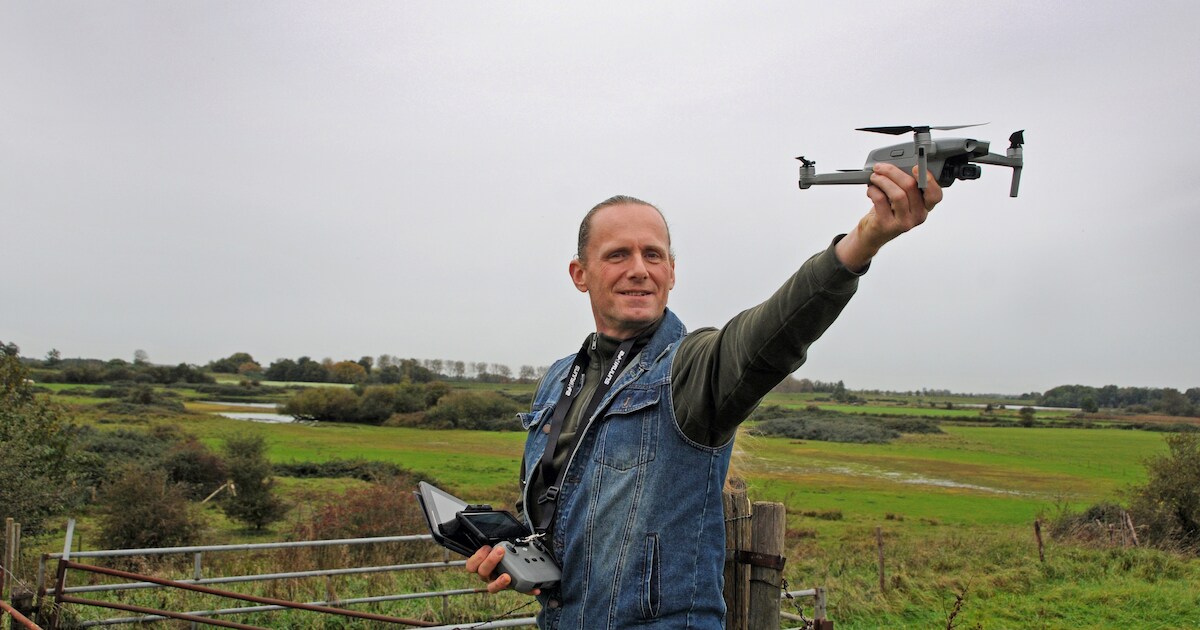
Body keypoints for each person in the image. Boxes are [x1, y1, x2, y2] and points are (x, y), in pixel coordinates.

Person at [467, 163, 943, 628]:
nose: (639, 270)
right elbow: (565, 512)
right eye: (617, 255)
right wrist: (521, 558)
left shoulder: (690, 370)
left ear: (672, 272)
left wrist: (863, 241)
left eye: (653, 256)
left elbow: (767, 336)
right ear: (580, 273)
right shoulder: (557, 380)